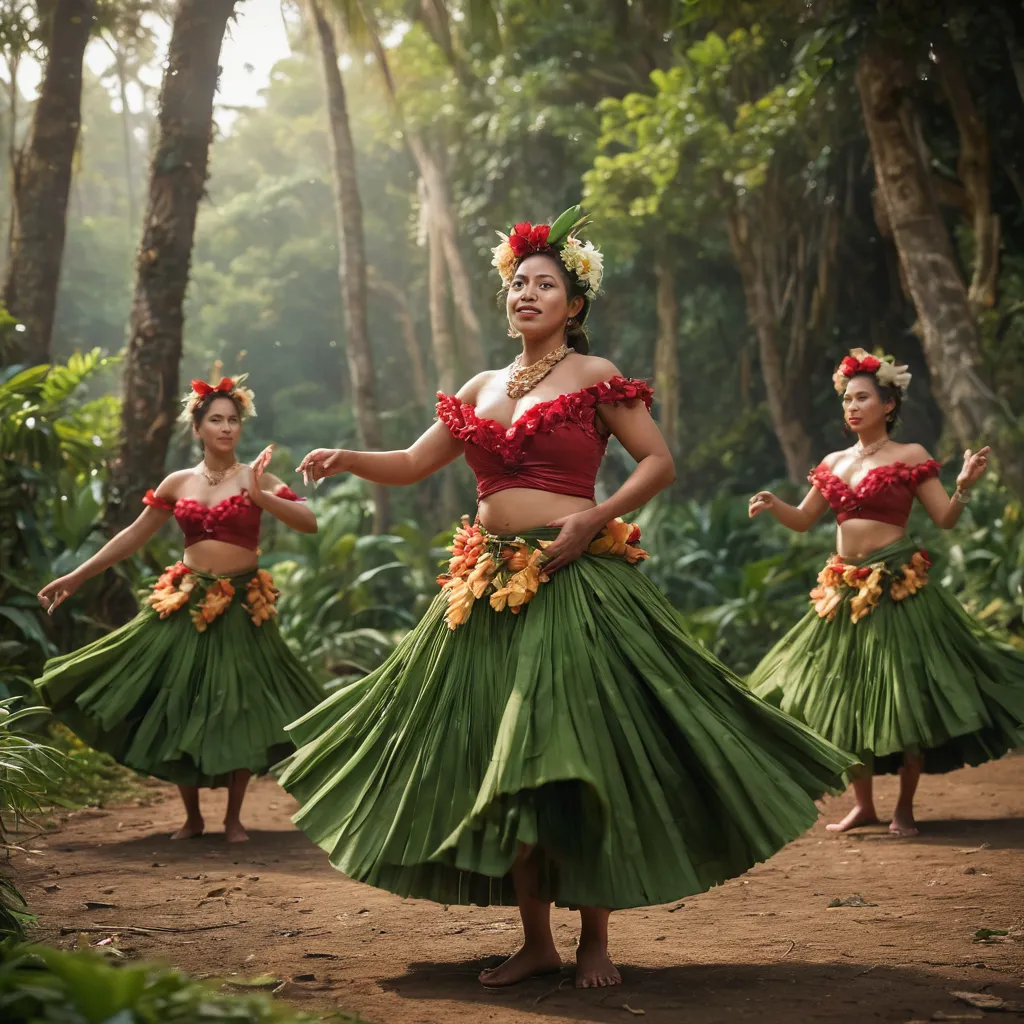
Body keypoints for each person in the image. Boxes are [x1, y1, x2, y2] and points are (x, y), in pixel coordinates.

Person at [278, 207, 857, 989]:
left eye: (545, 284)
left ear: (574, 304)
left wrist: (594, 517)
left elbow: (658, 463)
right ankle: (536, 942)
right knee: (504, 758)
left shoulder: (593, 375)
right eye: (518, 282)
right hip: (488, 588)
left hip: (573, 581)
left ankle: (594, 942)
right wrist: (348, 457)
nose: (527, 292)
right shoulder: (481, 386)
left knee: (575, 752)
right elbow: (414, 462)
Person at [747, 348, 1024, 835]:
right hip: (844, 592)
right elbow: (804, 520)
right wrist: (775, 505)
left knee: (902, 694)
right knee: (848, 695)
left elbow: (945, 518)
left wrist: (962, 486)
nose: (852, 407)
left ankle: (904, 808)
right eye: (847, 399)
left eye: (862, 398)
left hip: (897, 586)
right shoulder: (833, 461)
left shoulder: (910, 455)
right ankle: (864, 805)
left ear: (888, 404)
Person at [36, 376, 323, 843]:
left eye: (233, 420)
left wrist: (261, 497)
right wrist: (77, 576)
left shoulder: (259, 477)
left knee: (237, 703)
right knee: (180, 701)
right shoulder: (177, 482)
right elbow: (132, 535)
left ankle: (233, 819)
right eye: (217, 420)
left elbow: (309, 522)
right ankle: (192, 818)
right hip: (184, 602)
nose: (226, 428)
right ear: (198, 428)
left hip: (241, 606)